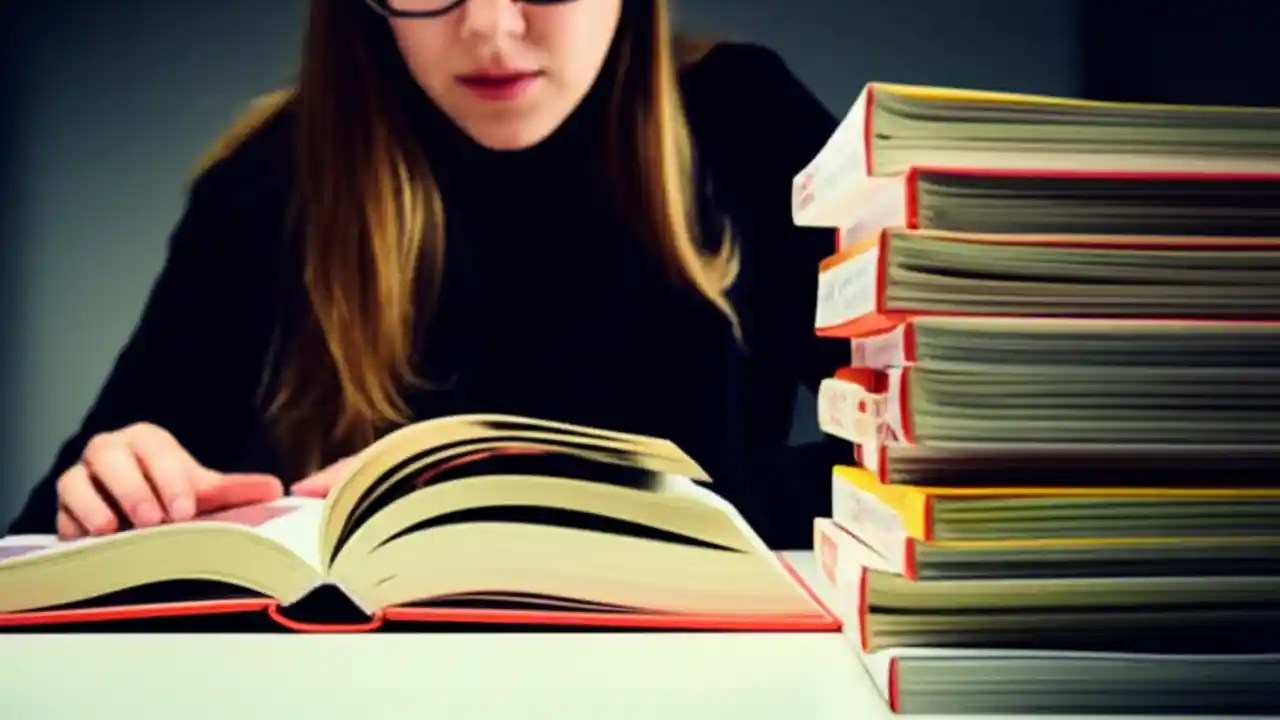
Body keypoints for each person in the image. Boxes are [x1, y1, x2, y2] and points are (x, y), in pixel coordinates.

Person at [6, 0, 846, 549]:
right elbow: (50, 531)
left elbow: (930, 481)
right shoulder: (273, 180)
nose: (486, 23)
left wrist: (592, 501)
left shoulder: (746, 120)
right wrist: (111, 493)